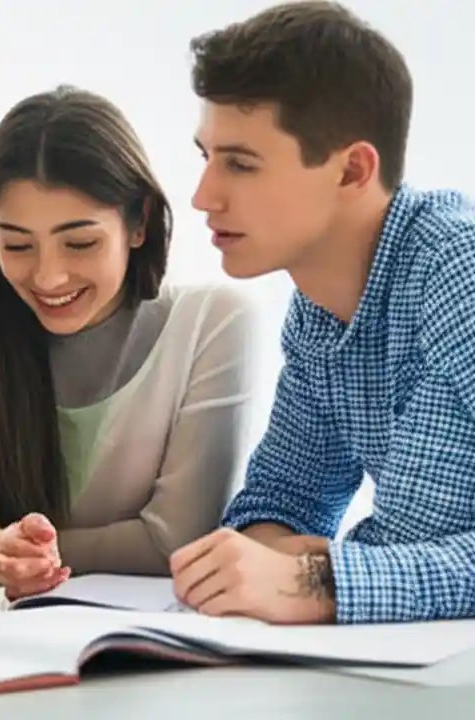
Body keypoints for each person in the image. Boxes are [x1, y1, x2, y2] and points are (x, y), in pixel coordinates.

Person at [170, 1, 475, 625]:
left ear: (353, 170)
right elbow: (279, 503)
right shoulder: (317, 313)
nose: (203, 196)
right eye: (207, 157)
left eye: (241, 163)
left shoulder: (460, 271)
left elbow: (305, 572)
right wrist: (277, 563)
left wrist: (317, 580)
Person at [0, 86, 256, 600]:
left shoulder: (211, 323)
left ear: (139, 223)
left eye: (80, 242)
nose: (48, 276)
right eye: (17, 244)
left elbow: (174, 542)